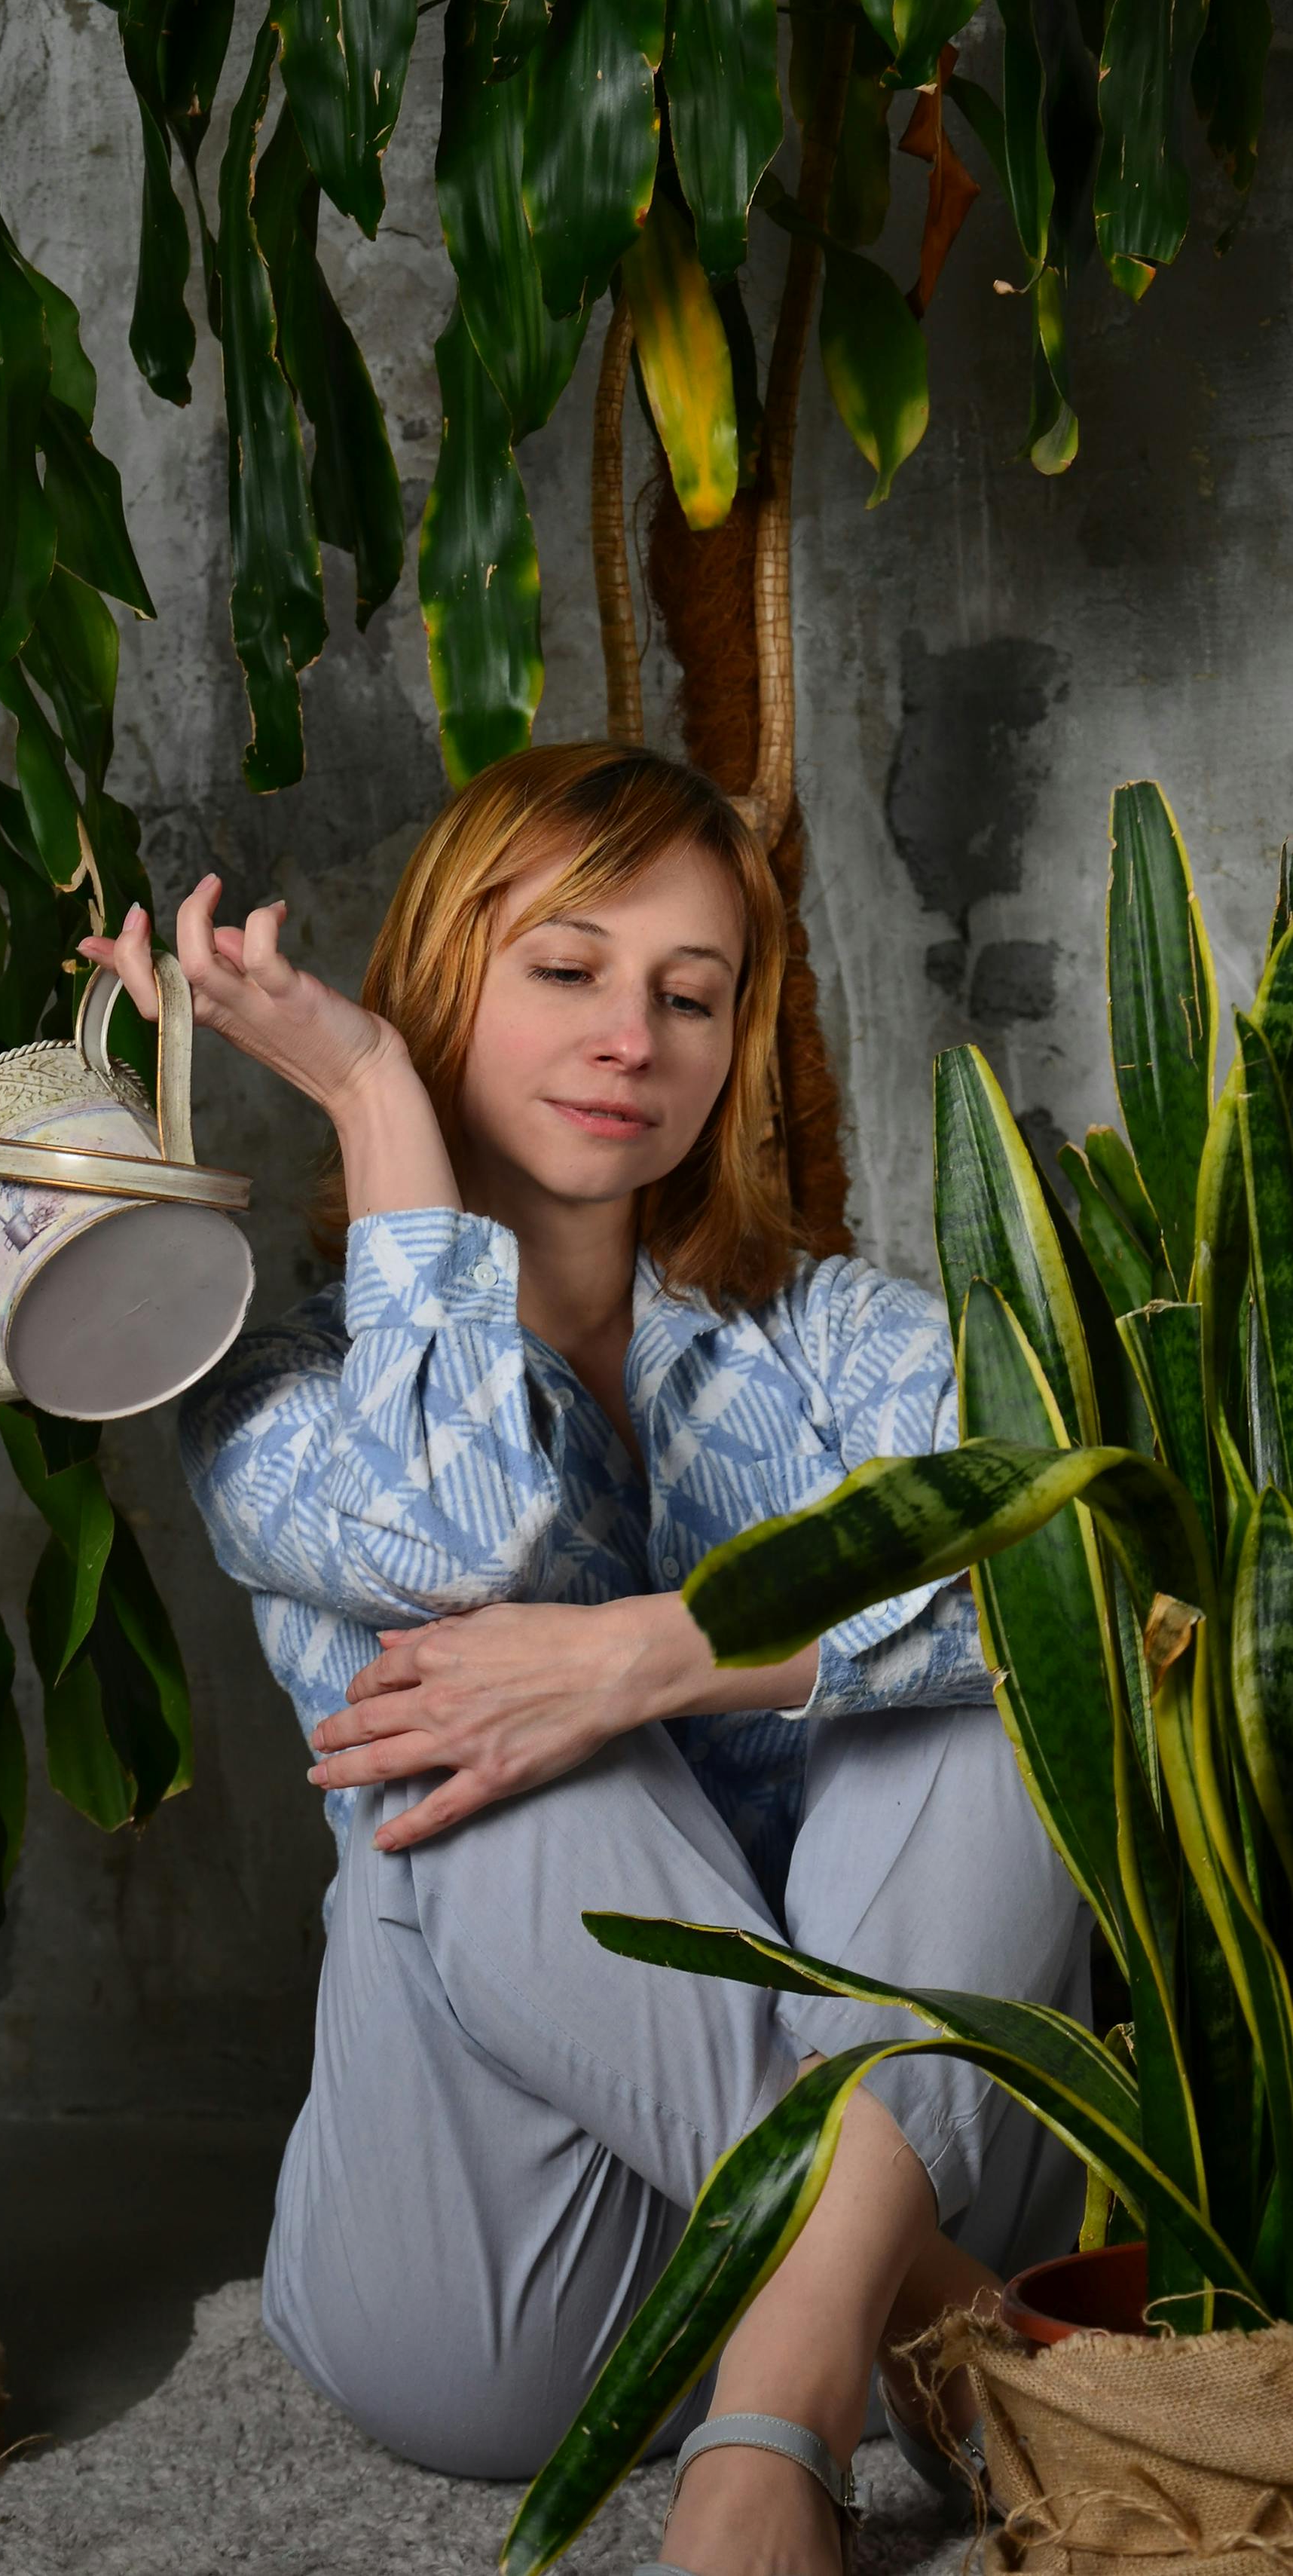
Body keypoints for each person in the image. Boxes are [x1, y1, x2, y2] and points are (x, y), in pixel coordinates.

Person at [79, 743, 1088, 2576]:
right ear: (450, 977)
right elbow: (457, 1546)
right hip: (506, 2288)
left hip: (908, 2138)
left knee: (999, 1684)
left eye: (688, 995)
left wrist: (660, 1654)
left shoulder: (856, 1343)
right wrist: (380, 1093)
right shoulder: (268, 1391)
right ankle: (924, 2321)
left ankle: (778, 2396)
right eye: (566, 969)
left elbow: (1092, 1605)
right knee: (459, 1727)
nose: (632, 1035)